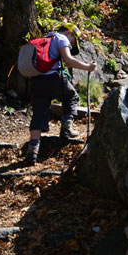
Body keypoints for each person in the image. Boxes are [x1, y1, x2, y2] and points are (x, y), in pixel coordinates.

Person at [25, 24, 96, 165]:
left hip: (36, 80)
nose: (71, 44)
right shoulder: (61, 38)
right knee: (71, 96)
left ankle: (33, 149)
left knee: (39, 112)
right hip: (53, 77)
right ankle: (66, 128)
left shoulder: (45, 38)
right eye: (73, 41)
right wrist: (88, 67)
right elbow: (68, 60)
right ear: (69, 33)